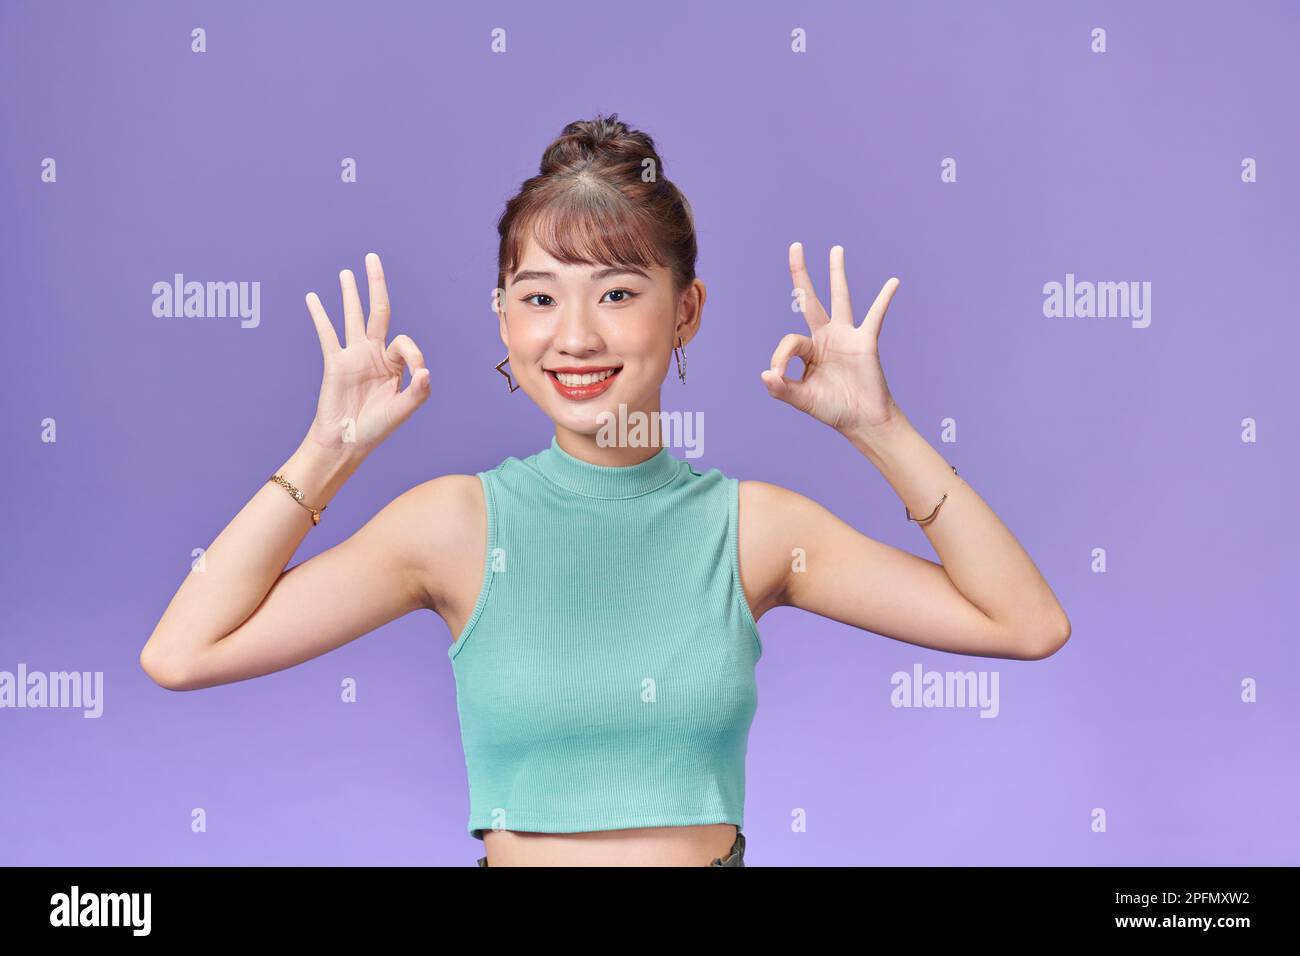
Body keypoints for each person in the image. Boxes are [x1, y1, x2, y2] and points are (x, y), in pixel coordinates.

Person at [140, 114, 1070, 867]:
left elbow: (1025, 625)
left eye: (618, 293)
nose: (576, 335)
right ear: (503, 320)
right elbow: (182, 652)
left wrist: (881, 428)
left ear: (687, 310)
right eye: (539, 296)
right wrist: (328, 451)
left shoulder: (751, 530)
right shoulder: (455, 525)